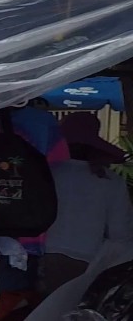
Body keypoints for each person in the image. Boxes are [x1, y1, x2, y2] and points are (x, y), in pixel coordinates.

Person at [41, 112, 133, 293]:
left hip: (41, 255)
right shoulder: (110, 181)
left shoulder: (46, 173)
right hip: (87, 259)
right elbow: (120, 233)